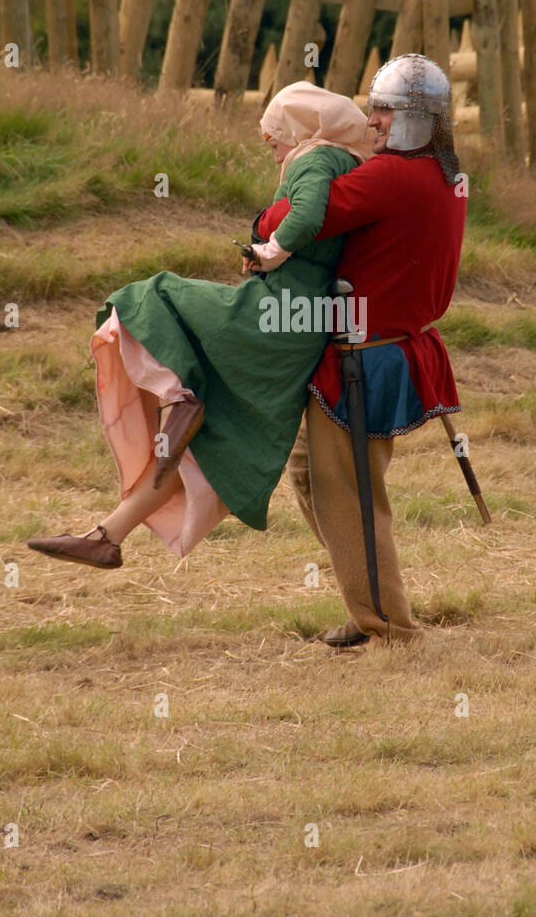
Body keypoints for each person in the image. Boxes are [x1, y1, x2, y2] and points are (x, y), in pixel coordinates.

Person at [26, 83, 371, 570]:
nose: (274, 154)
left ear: (298, 129)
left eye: (274, 141)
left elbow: (308, 214)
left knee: (151, 295)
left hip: (277, 311)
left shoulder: (316, 160)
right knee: (198, 437)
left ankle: (178, 398)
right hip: (298, 319)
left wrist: (268, 252)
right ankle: (107, 535)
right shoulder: (346, 161)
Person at [251, 53, 466, 648]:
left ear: (415, 118)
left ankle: (392, 627)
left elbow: (298, 216)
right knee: (308, 474)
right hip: (374, 346)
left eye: (383, 110)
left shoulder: (391, 176)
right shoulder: (447, 176)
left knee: (349, 492)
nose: (372, 121)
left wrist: (266, 217)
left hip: (365, 356)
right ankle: (365, 596)